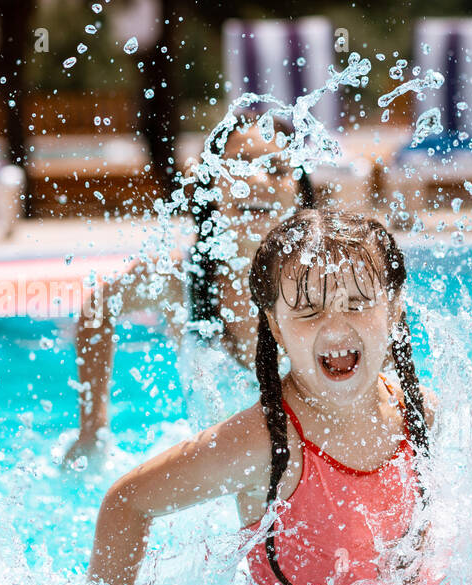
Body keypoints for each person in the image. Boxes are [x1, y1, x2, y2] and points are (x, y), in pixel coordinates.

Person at [85, 210, 441, 585]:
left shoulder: (419, 413)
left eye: (358, 304)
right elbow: (128, 503)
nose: (335, 327)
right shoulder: (267, 445)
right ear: (274, 325)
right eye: (308, 311)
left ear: (394, 307)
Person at [64, 117, 316, 463]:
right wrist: (93, 430)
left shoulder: (328, 281)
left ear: (300, 190)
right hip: (214, 482)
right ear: (211, 184)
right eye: (240, 167)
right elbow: (97, 309)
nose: (257, 181)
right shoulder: (181, 278)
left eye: (275, 169)